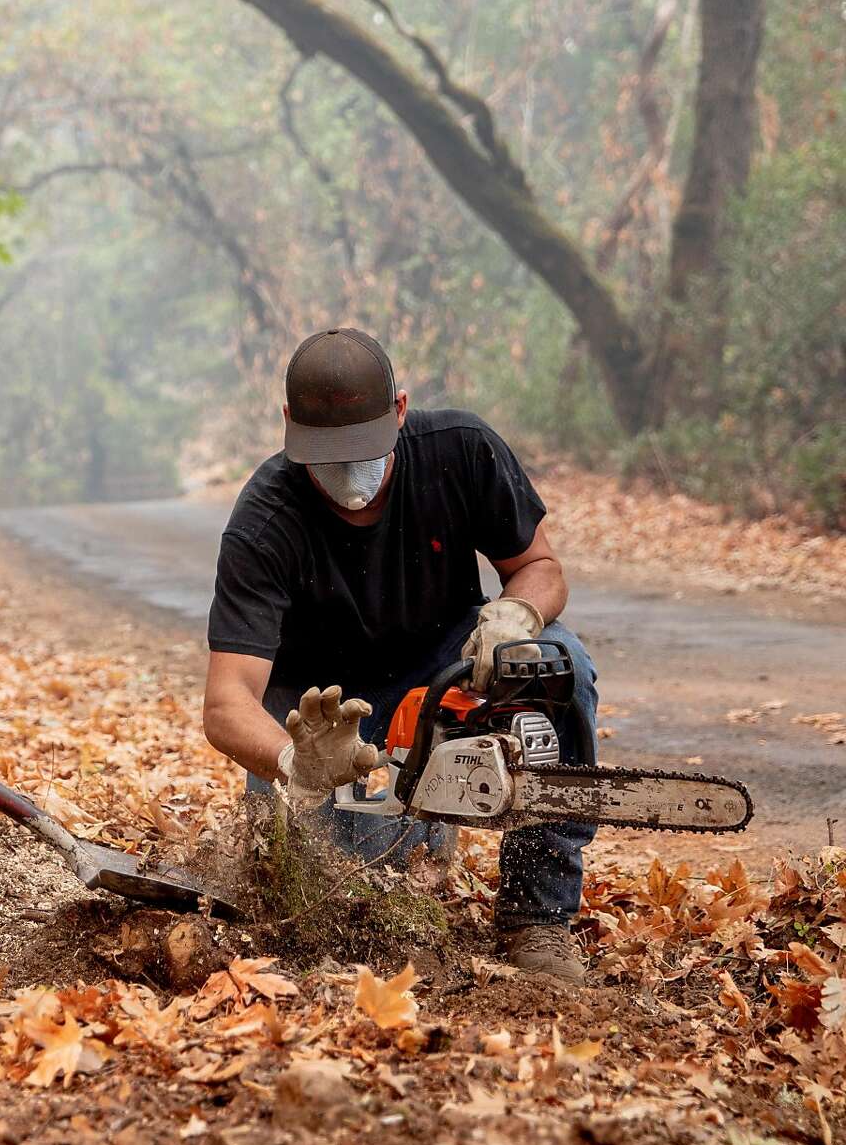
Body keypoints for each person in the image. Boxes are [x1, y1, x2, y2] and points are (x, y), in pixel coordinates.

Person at [201, 328, 597, 982]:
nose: (347, 474)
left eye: (361, 448)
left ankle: (538, 918)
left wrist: (515, 613)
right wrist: (291, 759)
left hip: (447, 669)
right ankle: (400, 837)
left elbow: (540, 566)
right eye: (327, 453)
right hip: (324, 715)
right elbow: (225, 703)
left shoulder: (460, 451)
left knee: (558, 659)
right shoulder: (266, 519)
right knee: (338, 916)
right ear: (288, 425)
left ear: (402, 409)